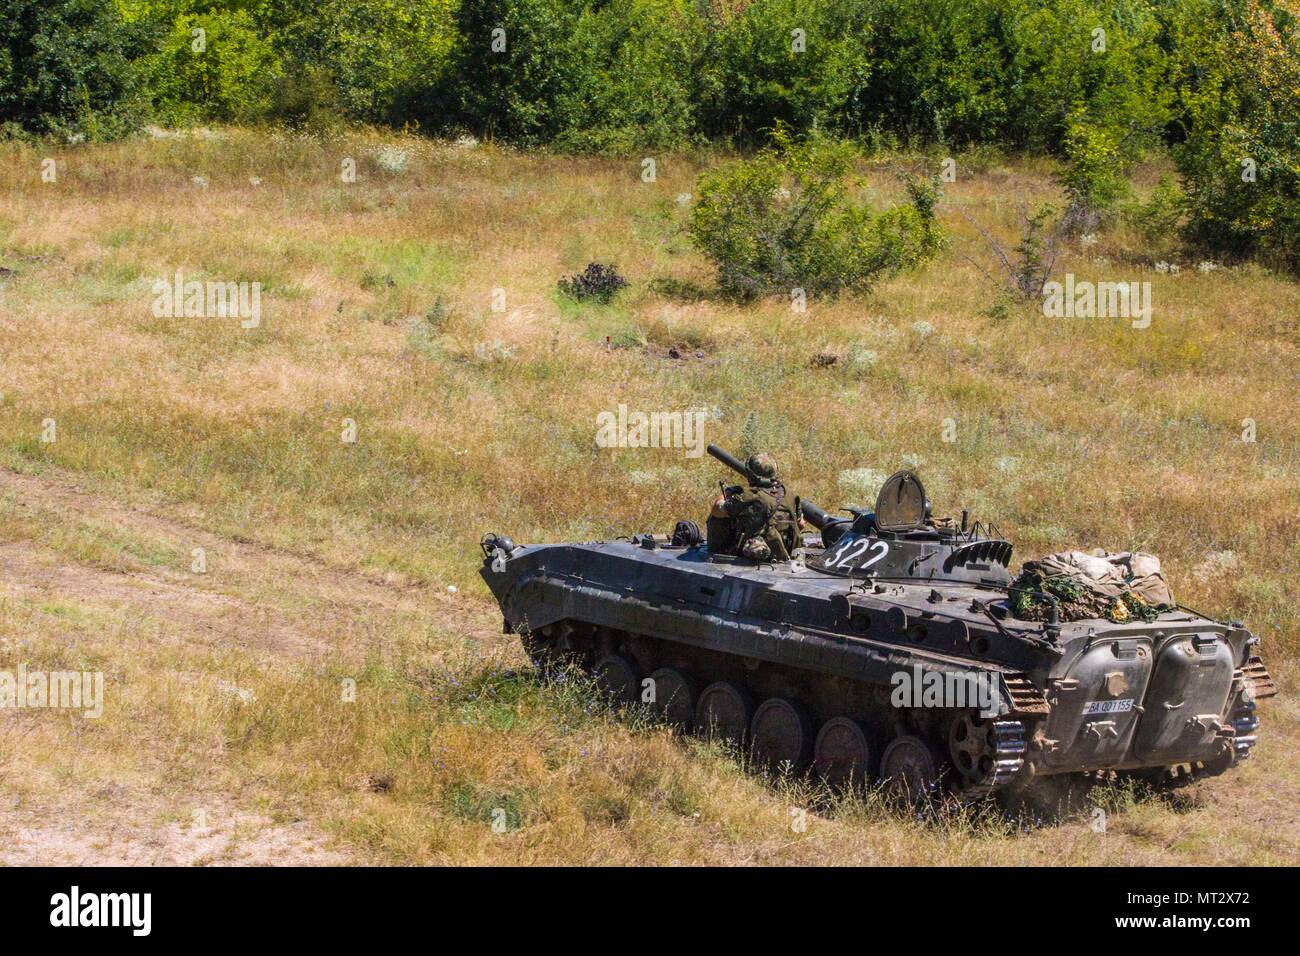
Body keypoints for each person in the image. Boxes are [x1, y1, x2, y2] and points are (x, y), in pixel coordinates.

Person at [706, 453, 801, 561]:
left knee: (716, 519)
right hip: (786, 555)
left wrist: (726, 494)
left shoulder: (750, 496)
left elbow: (716, 511)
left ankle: (718, 553)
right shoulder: (790, 495)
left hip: (757, 555)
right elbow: (800, 523)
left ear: (751, 475)